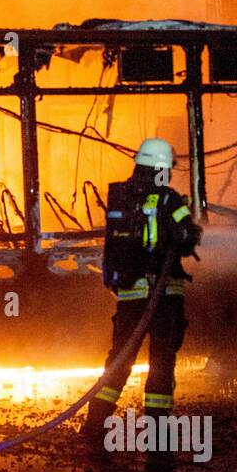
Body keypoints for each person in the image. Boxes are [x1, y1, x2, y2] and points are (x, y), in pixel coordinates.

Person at [81, 137, 201, 448]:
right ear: (161, 169)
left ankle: (96, 424)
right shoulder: (170, 200)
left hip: (130, 294)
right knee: (161, 363)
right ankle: (157, 435)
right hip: (163, 297)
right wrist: (190, 225)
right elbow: (187, 237)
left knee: (119, 361)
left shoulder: (121, 197)